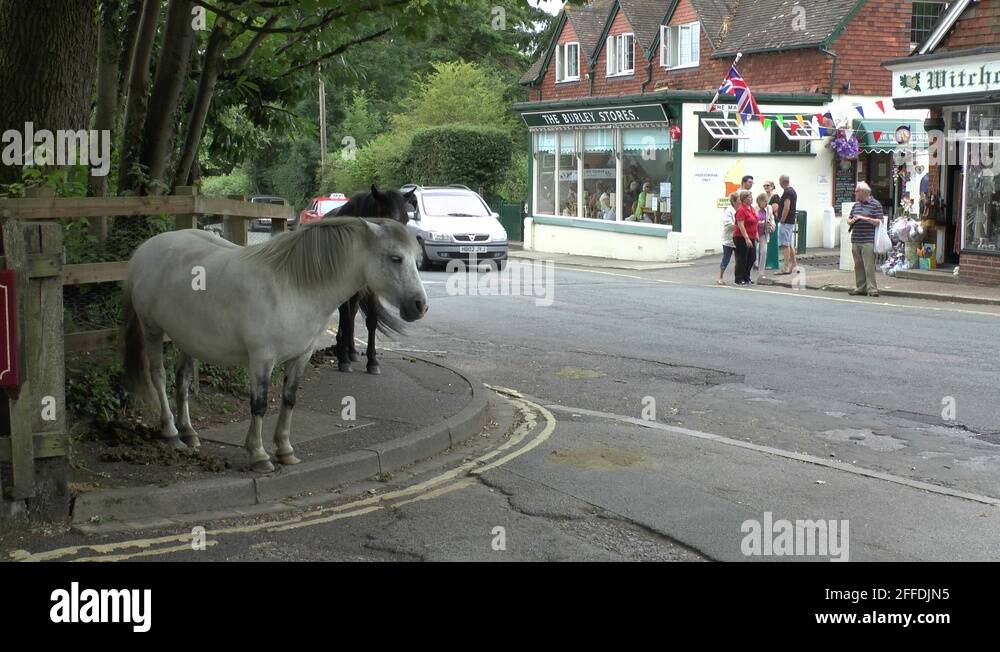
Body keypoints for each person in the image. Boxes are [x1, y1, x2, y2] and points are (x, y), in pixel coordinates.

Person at [848, 182, 884, 297]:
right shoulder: (856, 205)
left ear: (864, 192)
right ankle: (861, 288)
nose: (855, 193)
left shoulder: (875, 204)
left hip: (868, 239)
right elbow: (849, 218)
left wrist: (864, 218)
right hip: (856, 238)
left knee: (869, 266)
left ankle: (872, 289)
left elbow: (880, 221)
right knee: (858, 265)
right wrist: (851, 221)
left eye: (857, 191)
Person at [733, 190, 759, 286]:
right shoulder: (741, 210)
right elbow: (741, 224)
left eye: (751, 197)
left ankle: (746, 276)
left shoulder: (751, 209)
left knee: (752, 257)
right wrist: (746, 238)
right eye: (749, 197)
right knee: (742, 258)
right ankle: (739, 278)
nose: (751, 199)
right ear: (744, 199)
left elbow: (755, 222)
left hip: (752, 236)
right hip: (741, 237)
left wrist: (756, 234)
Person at [776, 175, 798, 274]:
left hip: (786, 222)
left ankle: (785, 267)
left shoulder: (787, 192)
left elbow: (786, 207)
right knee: (790, 244)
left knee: (785, 245)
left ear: (782, 182)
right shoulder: (792, 191)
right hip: (790, 221)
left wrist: (782, 220)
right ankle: (794, 265)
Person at [718, 192, 738, 285]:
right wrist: (740, 226)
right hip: (729, 239)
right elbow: (728, 224)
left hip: (738, 238)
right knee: (726, 258)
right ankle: (721, 277)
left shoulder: (741, 209)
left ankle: (737, 277)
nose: (740, 202)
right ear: (733, 201)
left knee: (738, 259)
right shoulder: (729, 211)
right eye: (738, 200)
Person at [755, 192, 774, 281]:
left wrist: (771, 226)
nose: (766, 203)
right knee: (752, 254)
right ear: (759, 201)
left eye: (767, 201)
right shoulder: (754, 209)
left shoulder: (769, 208)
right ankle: (748, 271)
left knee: (764, 251)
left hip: (763, 233)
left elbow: (772, 219)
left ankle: (761, 273)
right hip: (754, 233)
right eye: (764, 201)